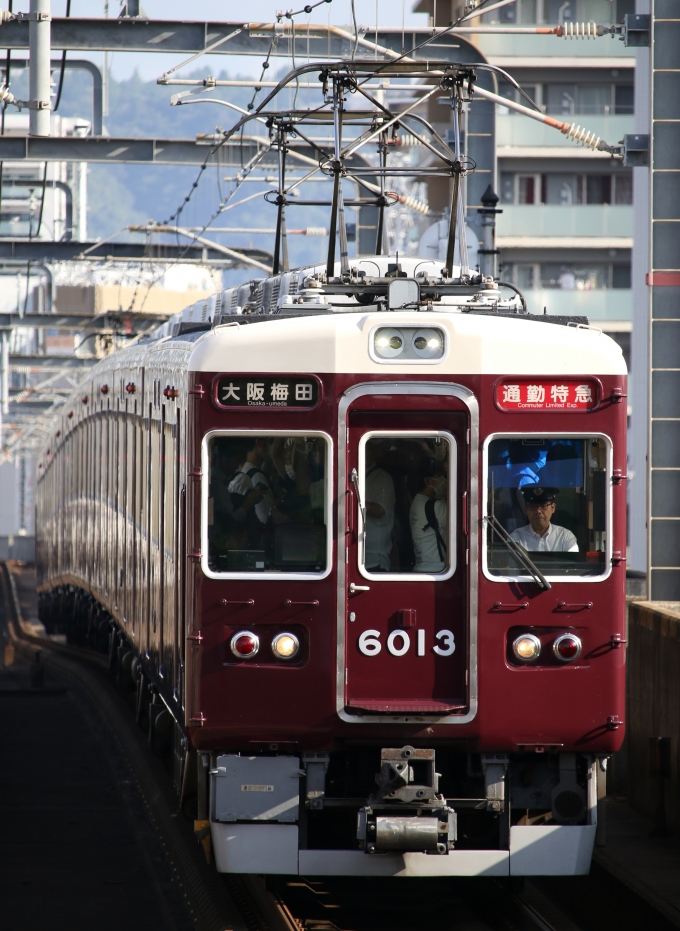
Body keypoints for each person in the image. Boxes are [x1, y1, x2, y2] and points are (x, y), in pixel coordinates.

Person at [509, 486, 578, 552]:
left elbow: (572, 564)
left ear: (553, 508)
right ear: (526, 510)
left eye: (543, 506)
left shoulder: (565, 537)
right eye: (532, 506)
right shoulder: (516, 538)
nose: (538, 511)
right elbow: (511, 563)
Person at [409, 462, 448, 573]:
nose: (443, 480)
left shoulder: (416, 502)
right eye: (439, 477)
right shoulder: (435, 505)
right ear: (427, 481)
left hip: (421, 566)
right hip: (437, 569)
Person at [364, 440, 395, 571]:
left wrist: (353, 500)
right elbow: (303, 489)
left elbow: (379, 511)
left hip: (374, 561)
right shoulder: (342, 477)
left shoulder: (382, 478)